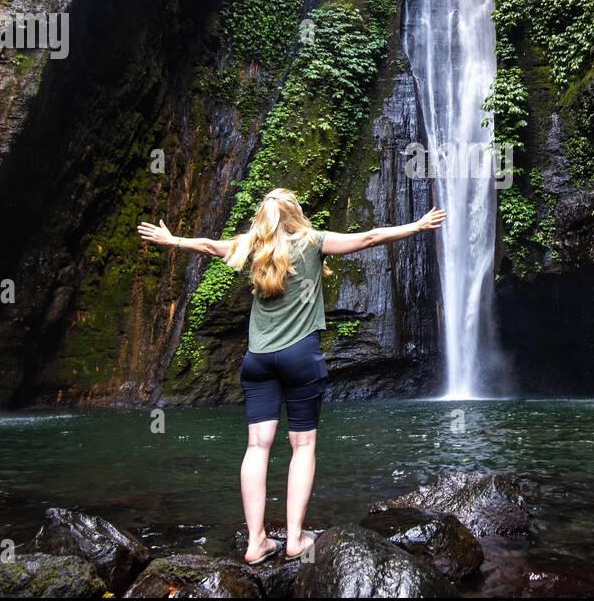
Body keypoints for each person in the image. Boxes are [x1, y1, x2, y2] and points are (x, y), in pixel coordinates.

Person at [137, 188, 445, 564]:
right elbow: (369, 237)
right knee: (302, 445)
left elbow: (208, 246)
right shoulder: (313, 242)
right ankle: (295, 539)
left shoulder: (252, 246)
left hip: (257, 360)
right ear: (296, 214)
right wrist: (417, 225)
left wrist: (172, 240)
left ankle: (256, 542)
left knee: (257, 446)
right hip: (300, 358)